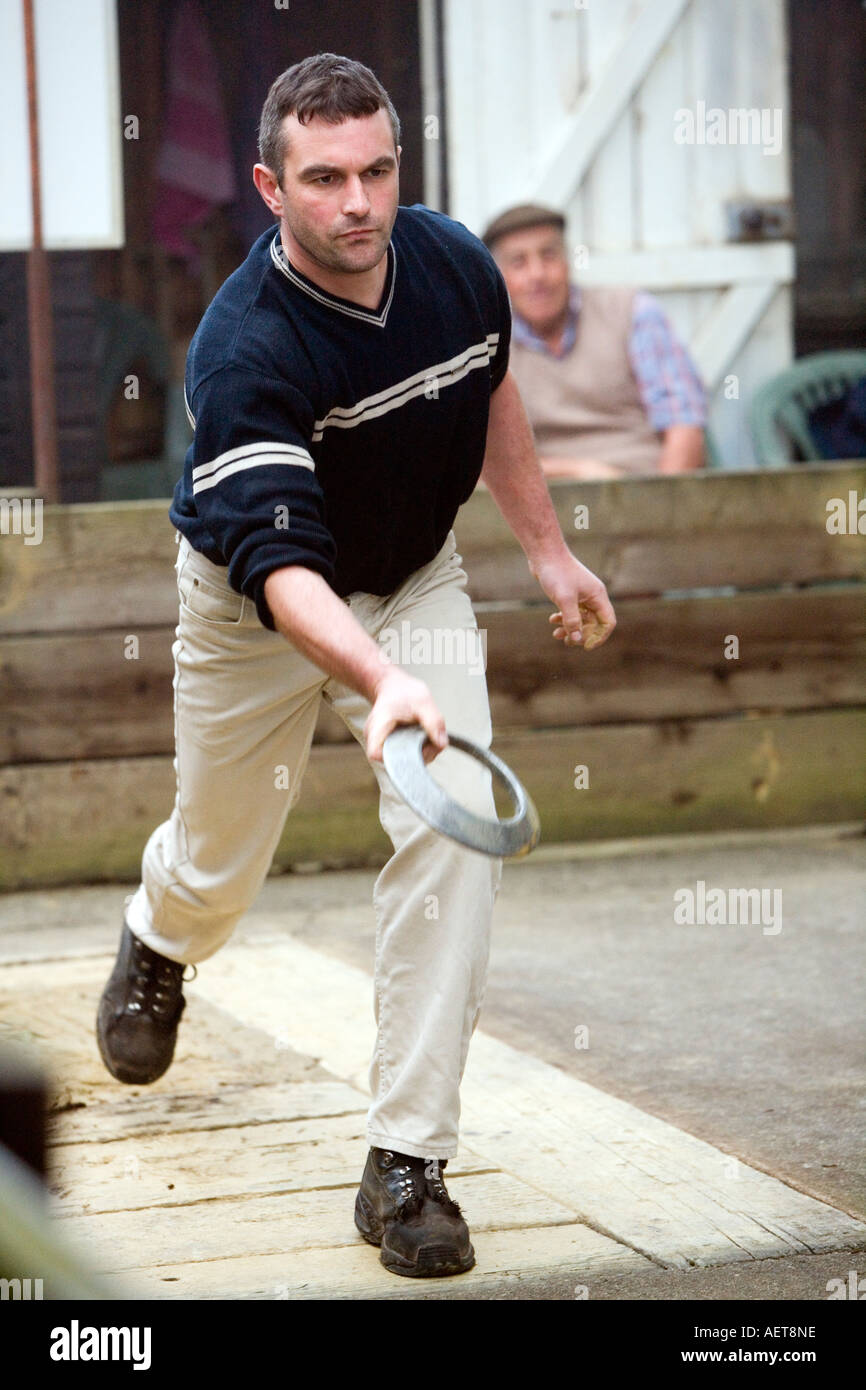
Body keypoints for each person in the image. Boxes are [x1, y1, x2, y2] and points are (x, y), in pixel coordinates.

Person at [95, 55, 616, 1280]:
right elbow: (283, 579)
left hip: (416, 576)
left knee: (456, 822)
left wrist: (546, 551)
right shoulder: (241, 350)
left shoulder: (451, 265)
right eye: (324, 179)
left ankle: (405, 1165)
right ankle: (162, 934)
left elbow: (485, 390)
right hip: (256, 612)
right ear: (272, 188)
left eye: (376, 170)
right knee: (222, 861)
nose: (358, 203)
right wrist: (378, 680)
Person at [482, 203, 708, 479]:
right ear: (497, 277)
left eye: (549, 255)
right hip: (542, 499)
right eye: (519, 262)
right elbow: (480, 458)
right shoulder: (488, 344)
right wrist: (576, 470)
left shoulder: (632, 311)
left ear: (568, 261)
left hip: (641, 489)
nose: (537, 275)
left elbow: (684, 428)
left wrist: (665, 511)